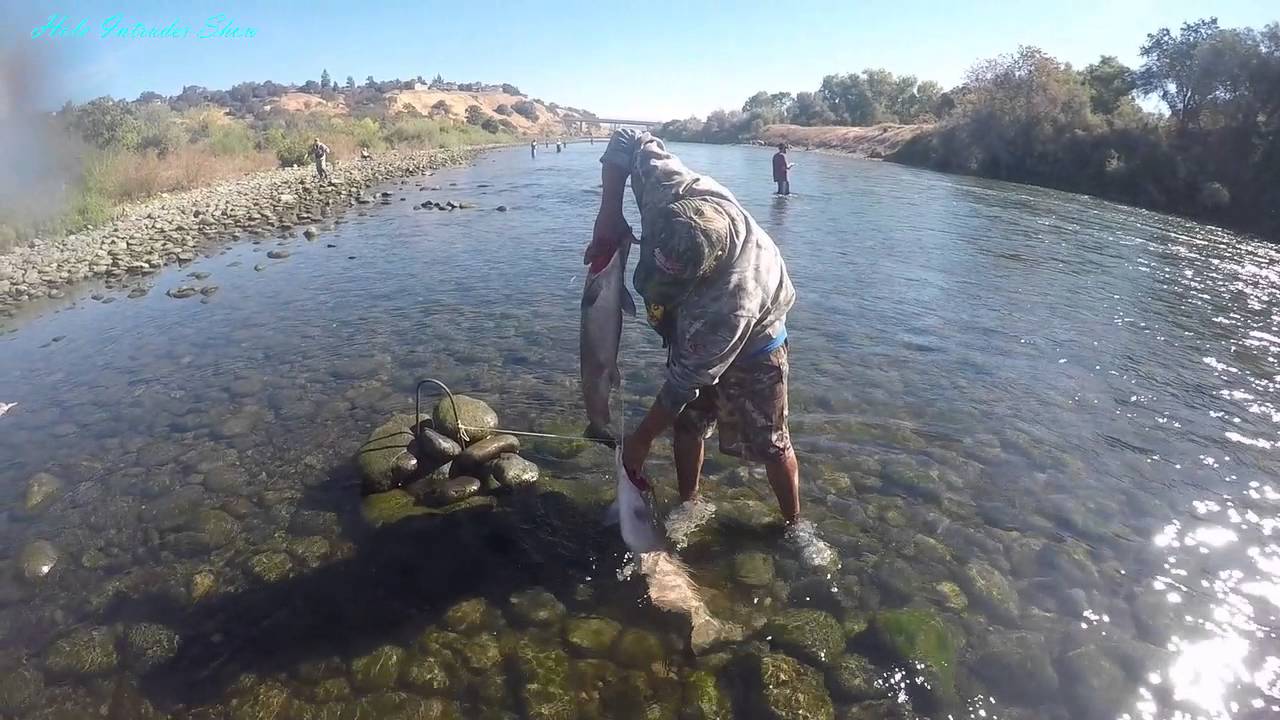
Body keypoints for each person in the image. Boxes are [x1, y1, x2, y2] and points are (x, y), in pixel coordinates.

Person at [585, 129, 836, 570]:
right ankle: (690, 504)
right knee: (687, 426)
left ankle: (795, 524)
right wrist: (609, 213)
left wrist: (640, 440)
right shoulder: (668, 188)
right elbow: (626, 137)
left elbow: (683, 383)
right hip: (698, 331)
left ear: (701, 276)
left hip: (755, 346)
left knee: (772, 443)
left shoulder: (731, 301)